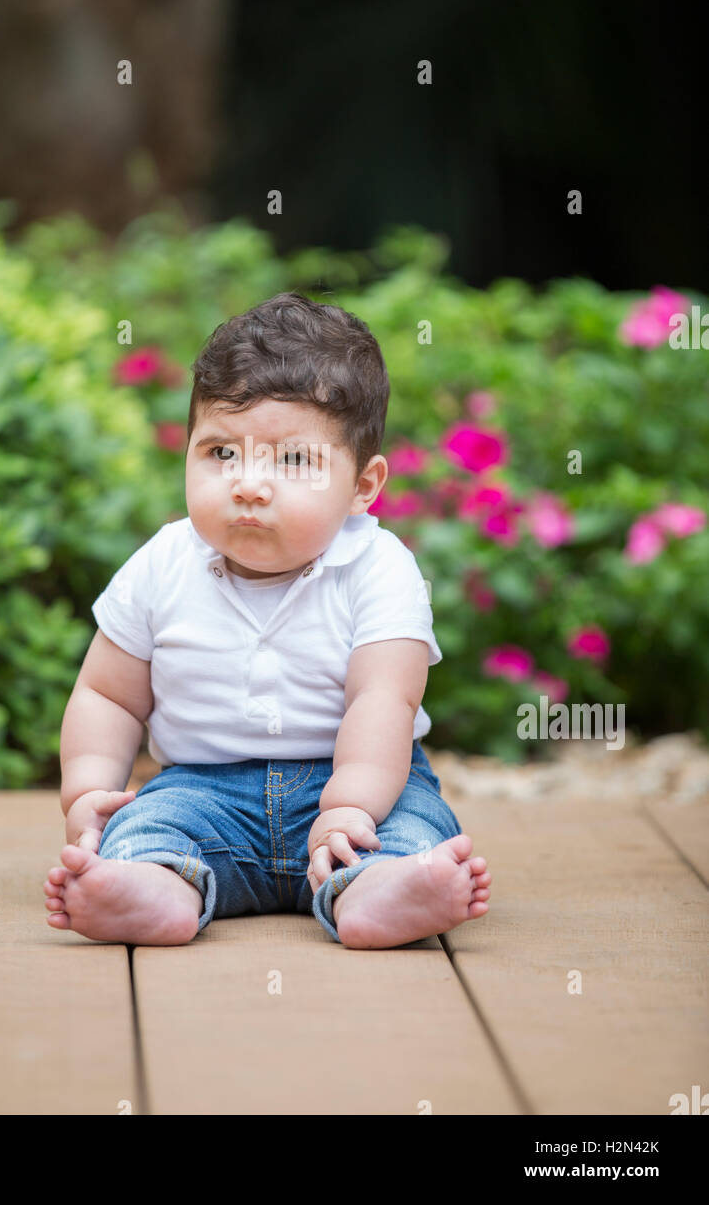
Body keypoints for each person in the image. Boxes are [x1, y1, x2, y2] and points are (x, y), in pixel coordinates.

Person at [44, 292, 491, 948]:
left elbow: (384, 699)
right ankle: (151, 889)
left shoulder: (379, 567)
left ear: (363, 487)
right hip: (202, 792)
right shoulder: (163, 563)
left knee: (412, 827)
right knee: (144, 828)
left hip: (358, 782)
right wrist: (86, 793)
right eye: (222, 453)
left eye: (292, 460)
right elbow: (107, 693)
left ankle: (378, 891)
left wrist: (347, 807)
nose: (248, 483)